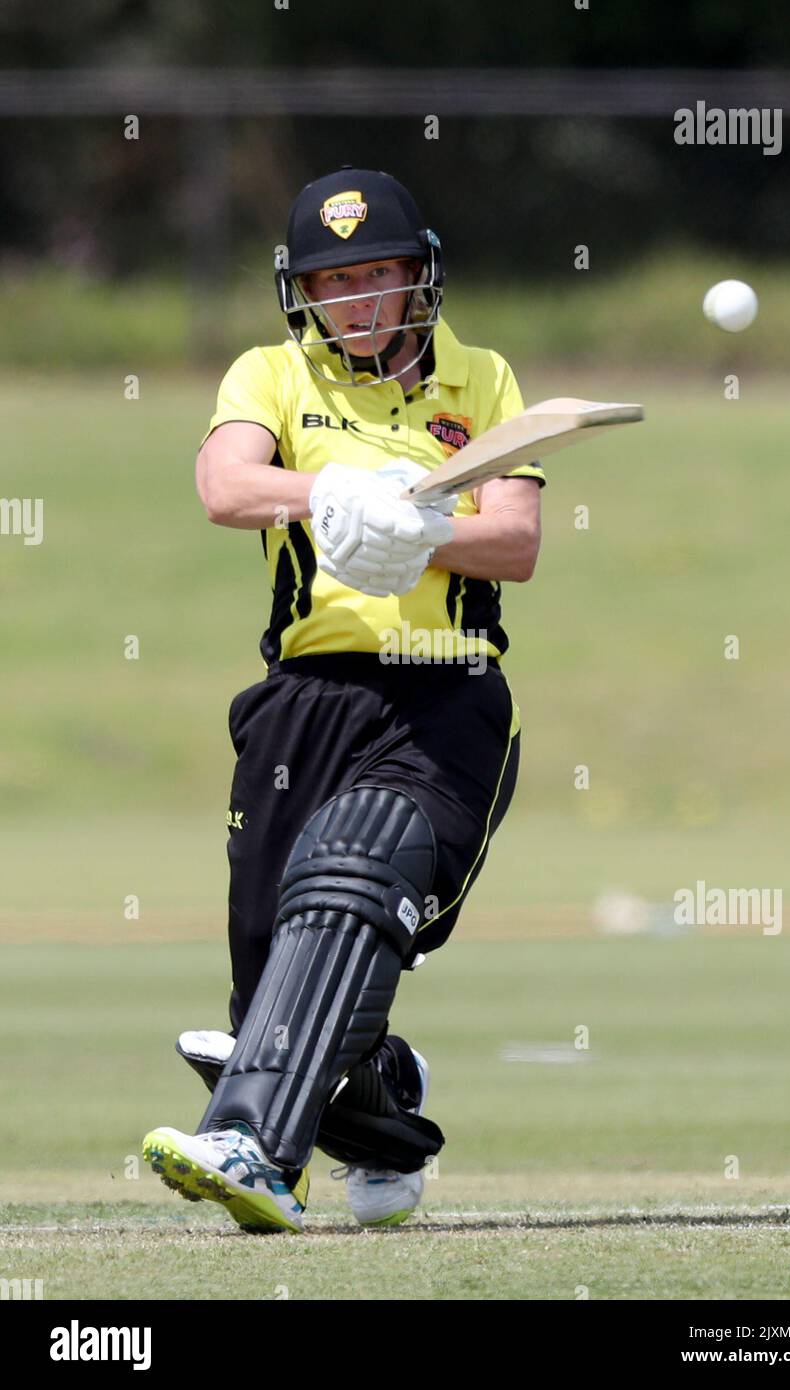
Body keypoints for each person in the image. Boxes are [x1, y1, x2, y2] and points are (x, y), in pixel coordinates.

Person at [142, 166, 545, 1233]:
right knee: (276, 974)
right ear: (301, 295)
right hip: (301, 705)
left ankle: (255, 1151)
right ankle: (384, 1108)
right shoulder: (268, 374)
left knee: (351, 876)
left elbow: (515, 541)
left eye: (376, 275)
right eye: (332, 283)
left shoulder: (481, 380)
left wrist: (425, 528)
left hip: (442, 700)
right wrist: (332, 491)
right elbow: (227, 487)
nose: (355, 302)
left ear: (420, 277)